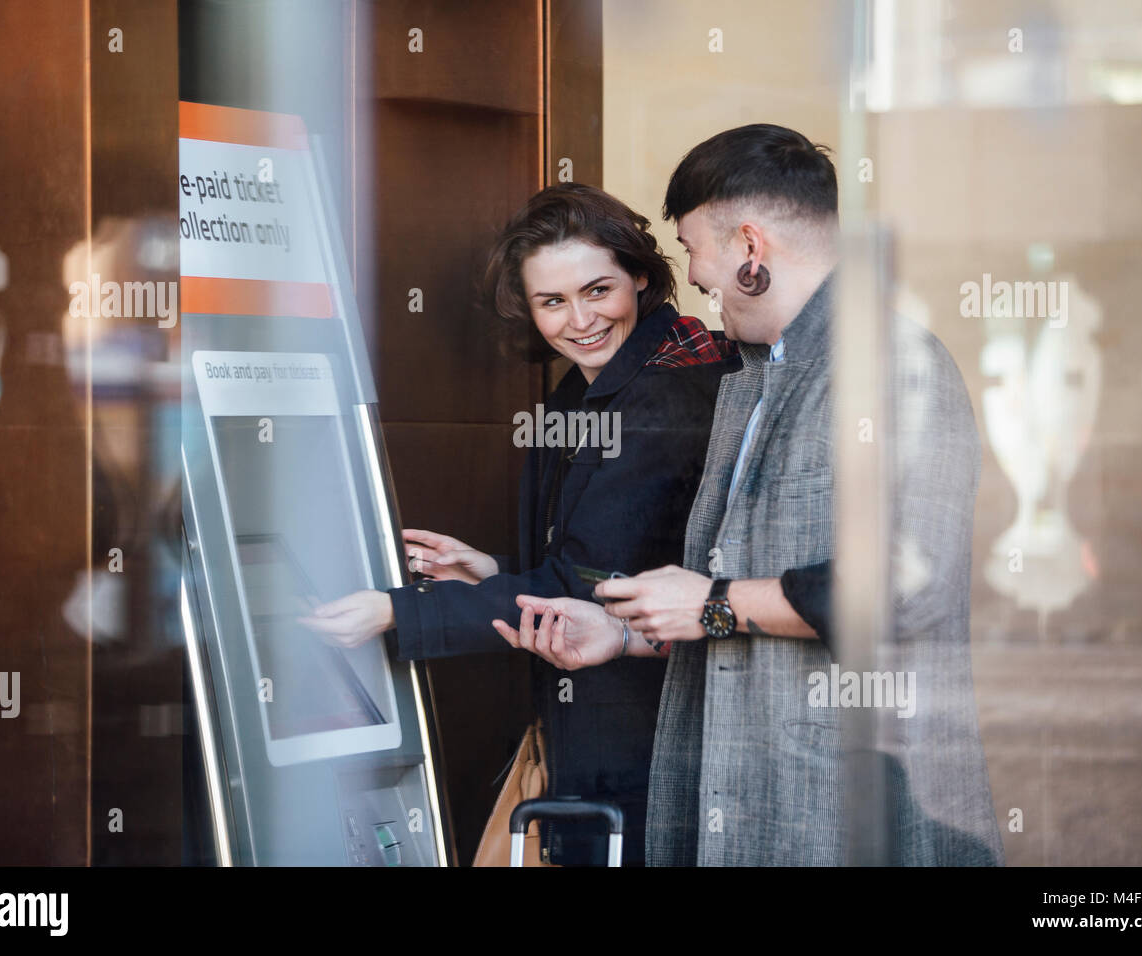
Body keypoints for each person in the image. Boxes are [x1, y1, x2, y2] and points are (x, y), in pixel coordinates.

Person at [501, 125, 1004, 866]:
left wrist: (710, 602)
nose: (694, 273)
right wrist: (632, 635)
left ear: (749, 247)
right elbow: (735, 604)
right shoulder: (754, 381)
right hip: (749, 813)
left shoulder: (896, 367)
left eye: (694, 247)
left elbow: (905, 588)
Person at [299, 182, 736, 865]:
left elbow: (587, 587)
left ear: (641, 278)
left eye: (598, 291)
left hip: (649, 737)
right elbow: (597, 564)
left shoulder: (664, 397)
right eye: (552, 302)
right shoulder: (598, 383)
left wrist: (395, 611)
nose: (579, 320)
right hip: (613, 727)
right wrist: (496, 573)